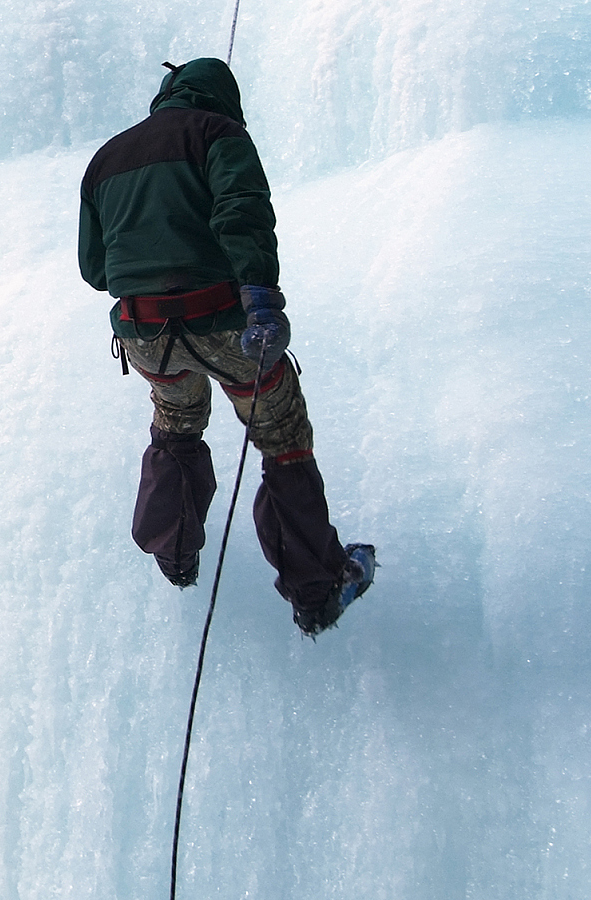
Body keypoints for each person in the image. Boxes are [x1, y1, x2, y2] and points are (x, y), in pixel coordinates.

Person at [77, 57, 374, 636]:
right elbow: (243, 214)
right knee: (281, 432)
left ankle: (175, 552)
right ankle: (317, 591)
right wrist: (261, 297)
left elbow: (95, 271)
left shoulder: (106, 158)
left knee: (177, 423)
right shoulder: (221, 135)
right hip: (223, 322)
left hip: (147, 337)